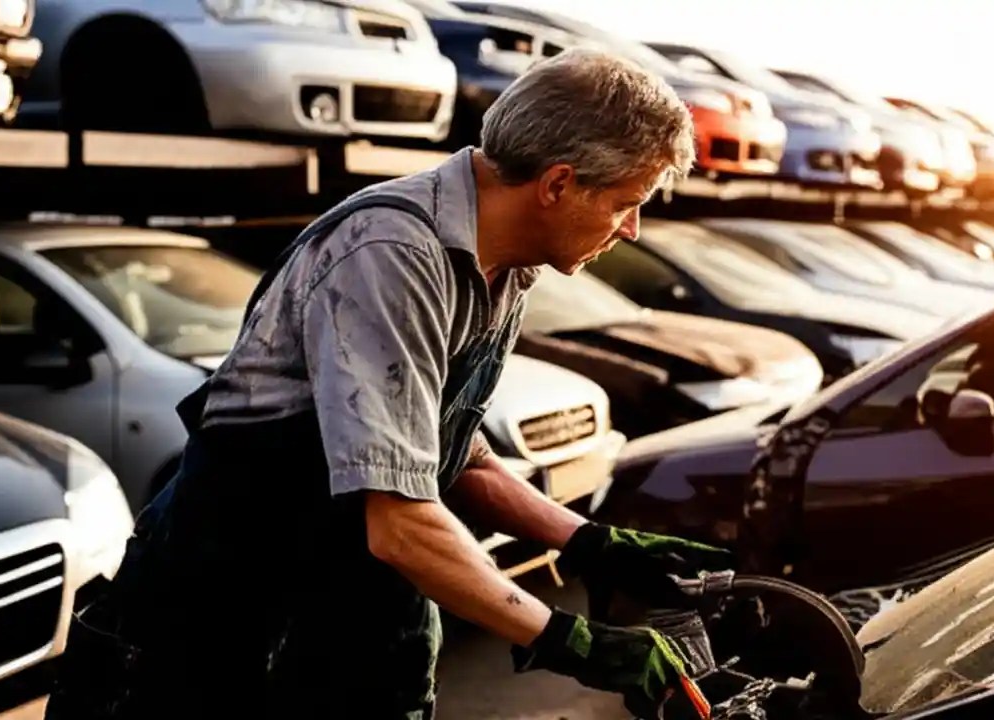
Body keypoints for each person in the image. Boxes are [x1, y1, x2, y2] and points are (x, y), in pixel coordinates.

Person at [43, 47, 733, 719]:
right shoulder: (392, 254)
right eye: (626, 202)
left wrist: (588, 541)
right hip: (219, 620)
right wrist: (570, 639)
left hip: (351, 611)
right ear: (557, 185)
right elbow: (398, 524)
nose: (633, 228)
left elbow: (447, 448)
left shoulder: (511, 264)